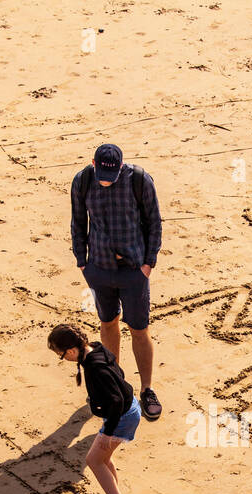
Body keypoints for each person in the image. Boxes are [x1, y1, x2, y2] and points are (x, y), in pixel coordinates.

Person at [70, 142, 164, 421]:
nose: (104, 182)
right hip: (99, 268)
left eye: (110, 178)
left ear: (121, 167)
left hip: (134, 270)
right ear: (93, 163)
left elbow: (154, 223)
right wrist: (82, 262)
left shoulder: (139, 180)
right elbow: (77, 222)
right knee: (107, 323)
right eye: (101, 175)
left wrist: (148, 264)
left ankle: (146, 389)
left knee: (139, 328)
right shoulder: (83, 180)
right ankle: (115, 384)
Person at [47, 323, 139, 494]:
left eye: (62, 356)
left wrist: (108, 432)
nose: (64, 360)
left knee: (93, 460)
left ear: (71, 350)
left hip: (122, 417)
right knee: (103, 459)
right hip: (128, 409)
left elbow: (115, 401)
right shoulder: (96, 348)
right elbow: (120, 373)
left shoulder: (95, 367)